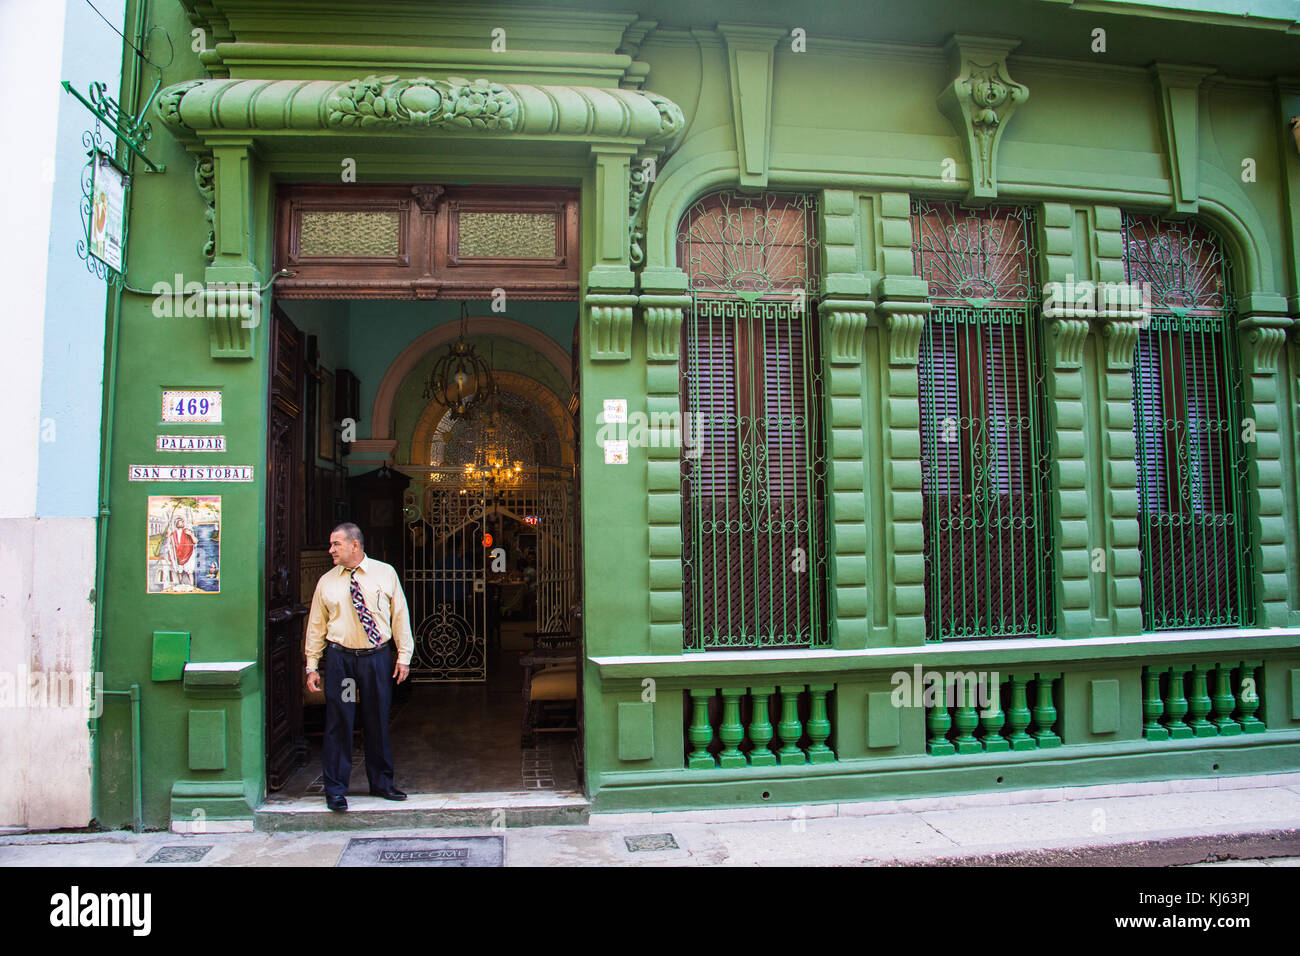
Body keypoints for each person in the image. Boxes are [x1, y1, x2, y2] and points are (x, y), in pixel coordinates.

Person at [304, 522, 413, 811]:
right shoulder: (327, 581)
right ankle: (336, 790)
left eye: (335, 544)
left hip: (375, 660)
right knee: (341, 721)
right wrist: (311, 665)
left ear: (354, 545)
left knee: (377, 719)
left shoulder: (384, 573)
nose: (331, 550)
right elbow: (317, 625)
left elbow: (399, 616)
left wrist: (404, 656)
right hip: (343, 662)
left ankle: (381, 783)